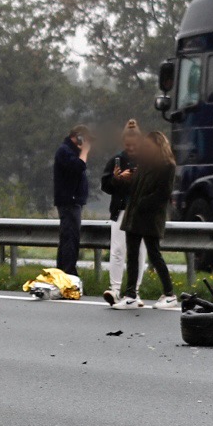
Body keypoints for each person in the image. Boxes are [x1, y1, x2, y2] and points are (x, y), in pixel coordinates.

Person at [114, 126, 178, 307]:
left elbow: (162, 193)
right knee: (132, 256)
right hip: (134, 216)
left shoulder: (167, 166)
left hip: (150, 217)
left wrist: (142, 203)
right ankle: (130, 295)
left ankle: (169, 294)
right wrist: (123, 179)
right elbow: (135, 187)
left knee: (154, 254)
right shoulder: (144, 163)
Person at [98, 120, 139, 305]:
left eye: (134, 144)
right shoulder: (116, 160)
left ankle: (134, 291)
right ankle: (115, 289)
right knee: (117, 250)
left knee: (138, 253)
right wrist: (117, 179)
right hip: (120, 210)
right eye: (127, 144)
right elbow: (105, 185)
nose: (130, 148)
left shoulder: (146, 160)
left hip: (139, 211)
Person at [51, 126, 90, 274]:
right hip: (69, 201)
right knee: (70, 239)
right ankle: (68, 272)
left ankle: (62, 271)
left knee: (69, 237)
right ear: (77, 137)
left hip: (73, 201)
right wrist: (84, 151)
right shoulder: (65, 151)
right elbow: (78, 166)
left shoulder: (70, 151)